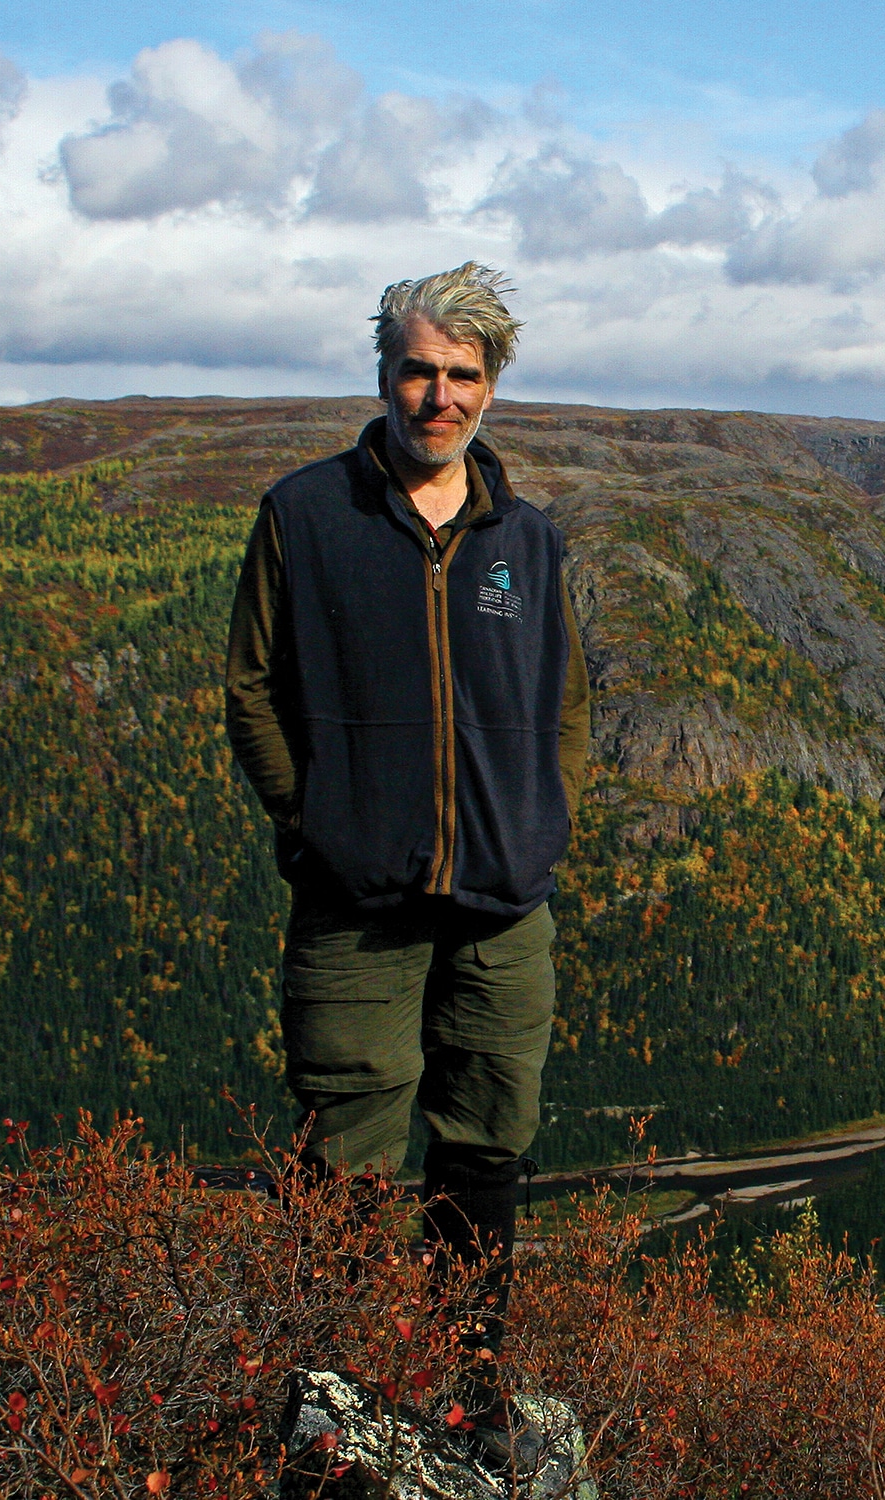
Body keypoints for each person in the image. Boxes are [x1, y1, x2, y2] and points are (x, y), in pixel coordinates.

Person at [225, 261, 588, 1282]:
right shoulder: (305, 515)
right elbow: (249, 688)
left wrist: (541, 820)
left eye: (463, 375)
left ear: (492, 383)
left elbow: (566, 702)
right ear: (384, 375)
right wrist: (313, 821)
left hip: (501, 900)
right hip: (356, 898)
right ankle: (335, 1401)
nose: (441, 398)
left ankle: (464, 1380)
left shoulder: (528, 538)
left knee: (487, 1140)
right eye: (419, 371)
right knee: (343, 1149)